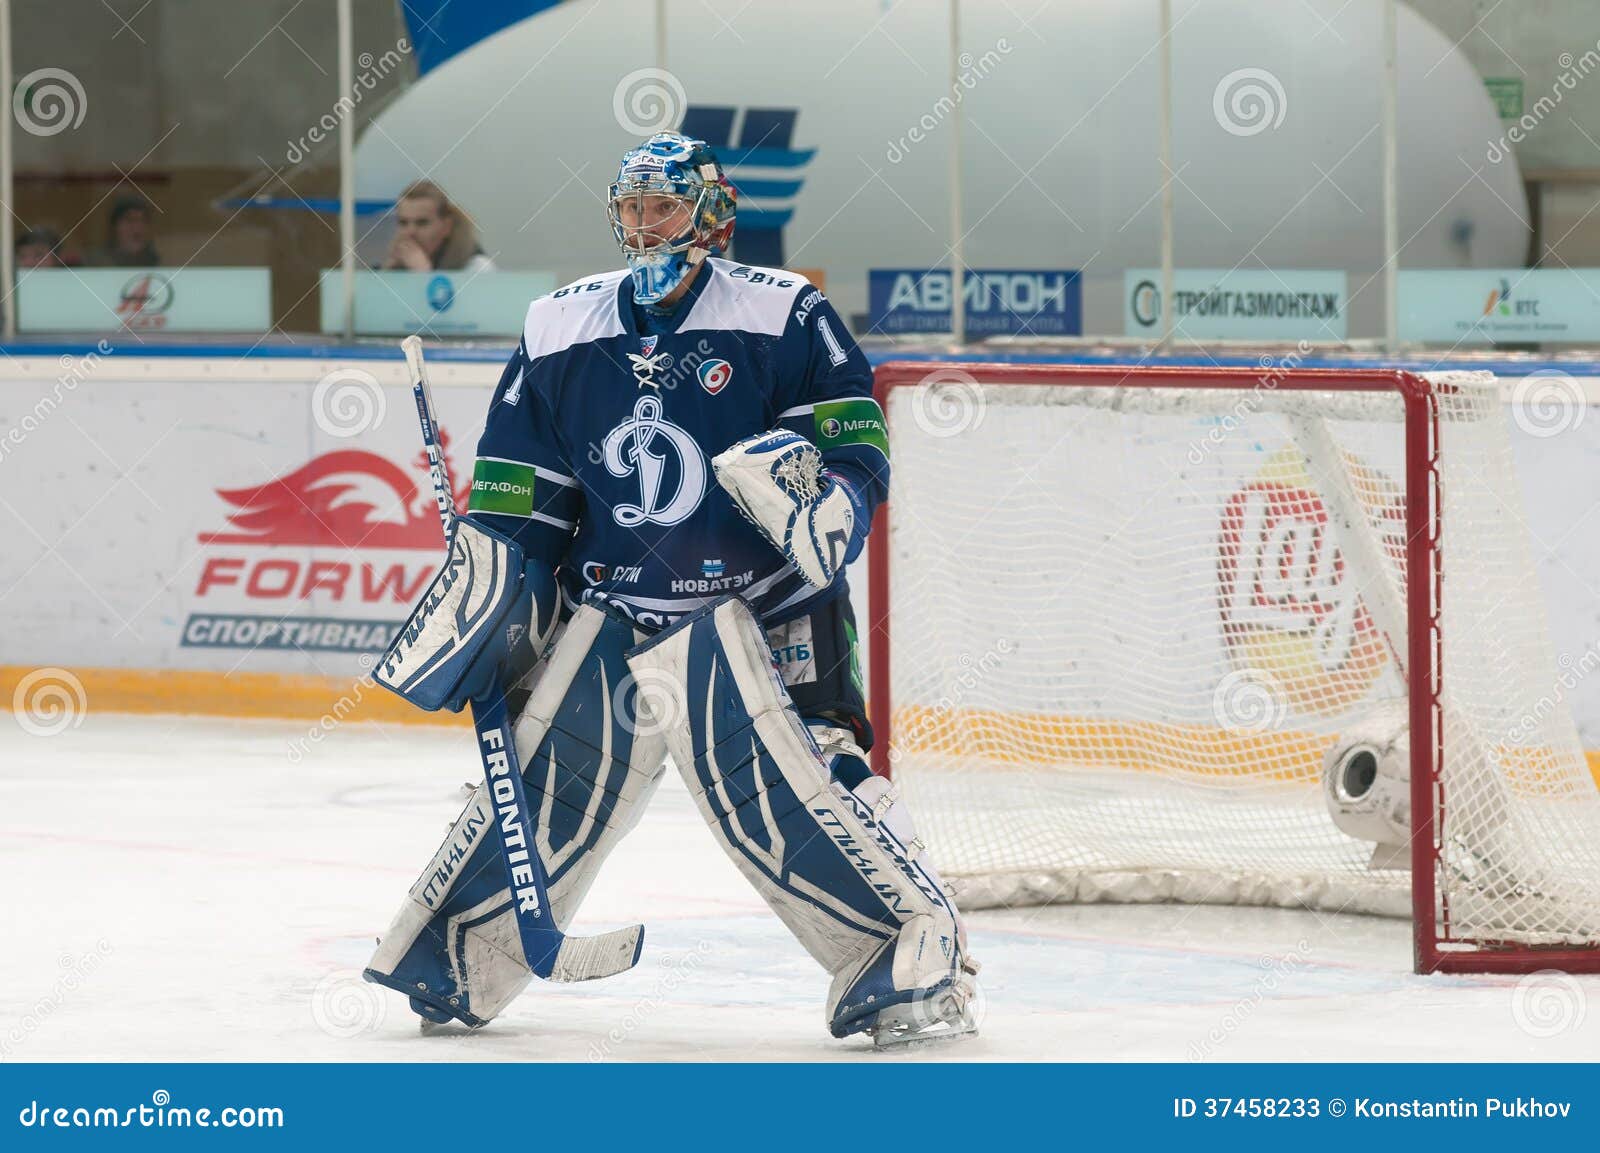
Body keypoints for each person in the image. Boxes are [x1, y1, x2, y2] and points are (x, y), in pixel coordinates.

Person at [363, 132, 980, 1047]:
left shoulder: (783, 310)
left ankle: (916, 959)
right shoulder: (560, 324)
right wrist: (496, 592)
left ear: (712, 215)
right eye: (632, 207)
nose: (646, 224)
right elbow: (524, 493)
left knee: (816, 783)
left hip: (766, 609)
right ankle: (460, 954)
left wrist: (836, 502)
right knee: (540, 786)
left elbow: (852, 442)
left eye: (666, 206)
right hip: (618, 612)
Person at [381, 180, 496, 273]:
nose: (410, 232)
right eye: (403, 223)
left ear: (446, 227)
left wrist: (423, 275)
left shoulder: (478, 268)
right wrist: (388, 274)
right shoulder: (396, 262)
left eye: (422, 223)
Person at [89, 196, 159, 267]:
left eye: (143, 220)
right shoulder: (95, 263)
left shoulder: (157, 262)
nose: (137, 228)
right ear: (115, 226)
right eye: (130, 220)